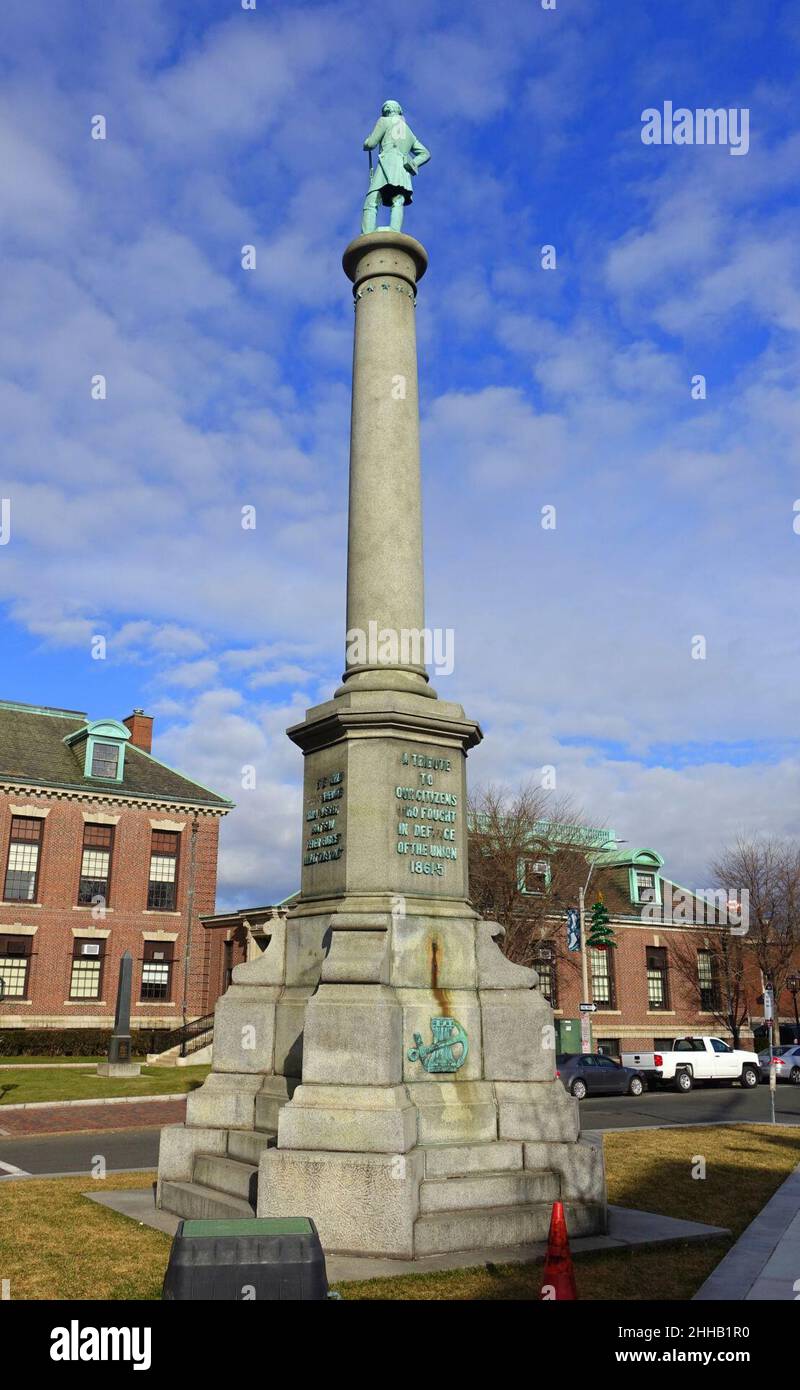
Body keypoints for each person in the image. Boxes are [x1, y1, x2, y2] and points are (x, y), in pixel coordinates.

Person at [361, 100, 430, 234]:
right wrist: (412, 163)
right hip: (402, 168)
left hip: (387, 162)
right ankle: (394, 229)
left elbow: (371, 144)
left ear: (386, 111)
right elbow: (425, 153)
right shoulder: (408, 131)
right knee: (398, 198)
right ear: (398, 110)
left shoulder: (384, 121)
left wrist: (366, 142)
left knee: (372, 198)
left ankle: (367, 233)